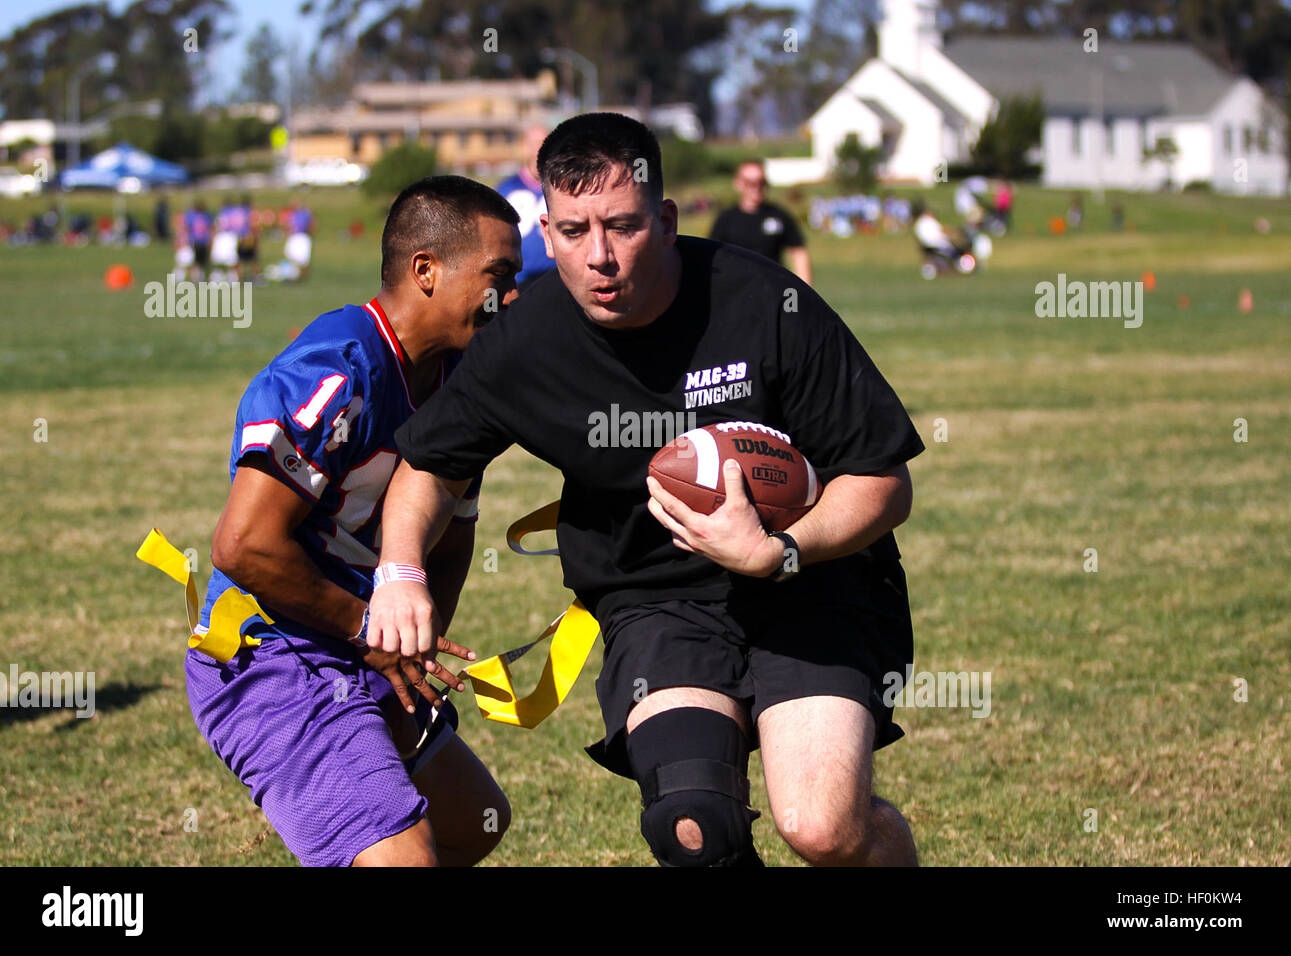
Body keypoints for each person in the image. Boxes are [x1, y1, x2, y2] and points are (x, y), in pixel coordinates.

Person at [369, 113, 922, 867]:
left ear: (663, 219)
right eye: (571, 231)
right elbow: (429, 468)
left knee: (823, 828)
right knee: (693, 827)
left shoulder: (763, 304)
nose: (598, 257)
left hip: (810, 584)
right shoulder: (526, 339)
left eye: (621, 226)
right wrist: (400, 572)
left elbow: (882, 476)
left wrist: (780, 549)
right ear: (546, 228)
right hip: (657, 599)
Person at [185, 176, 522, 867]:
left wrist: (413, 652)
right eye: (499, 276)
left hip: (354, 647)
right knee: (404, 859)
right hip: (271, 654)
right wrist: (368, 630)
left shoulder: (461, 382)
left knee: (475, 821)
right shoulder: (338, 370)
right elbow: (242, 545)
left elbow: (453, 533)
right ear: (425, 270)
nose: (509, 298)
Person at [709, 159, 812, 284]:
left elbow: (799, 252)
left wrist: (803, 290)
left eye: (761, 182)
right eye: (750, 182)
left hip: (773, 287)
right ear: (738, 183)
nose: (756, 187)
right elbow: (712, 257)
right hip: (736, 289)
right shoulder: (726, 219)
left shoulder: (779, 216)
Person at [496, 123, 556, 289]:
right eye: (534, 143)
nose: (539, 149)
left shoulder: (563, 187)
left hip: (558, 278)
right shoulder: (507, 189)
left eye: (544, 143)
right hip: (520, 281)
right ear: (524, 147)